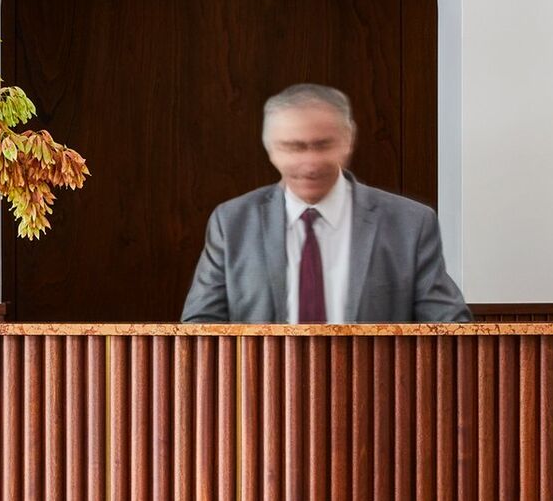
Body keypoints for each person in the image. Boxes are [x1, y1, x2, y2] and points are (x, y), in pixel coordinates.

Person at [181, 83, 469, 324]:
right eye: (293, 147)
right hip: (264, 389)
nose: (310, 164)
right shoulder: (232, 222)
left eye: (322, 145)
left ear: (348, 140)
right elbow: (200, 326)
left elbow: (449, 325)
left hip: (374, 388)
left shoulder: (410, 223)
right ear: (270, 149)